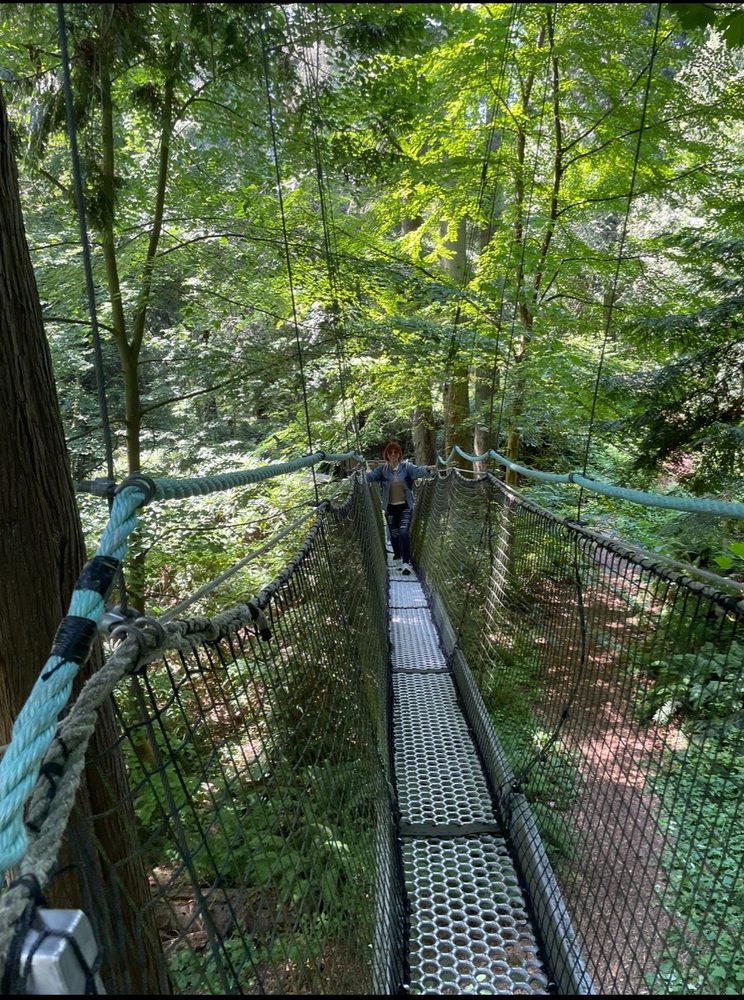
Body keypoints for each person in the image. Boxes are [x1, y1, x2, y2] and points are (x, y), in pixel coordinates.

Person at [366, 441, 435, 575]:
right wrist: (366, 472)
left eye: (396, 452)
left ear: (399, 454)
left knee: (403, 532)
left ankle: (406, 563)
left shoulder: (406, 467)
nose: (393, 454)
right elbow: (371, 477)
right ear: (386, 455)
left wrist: (427, 468)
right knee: (394, 535)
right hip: (390, 508)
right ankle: (397, 557)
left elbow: (417, 471)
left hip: (405, 507)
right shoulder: (383, 470)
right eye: (390, 452)